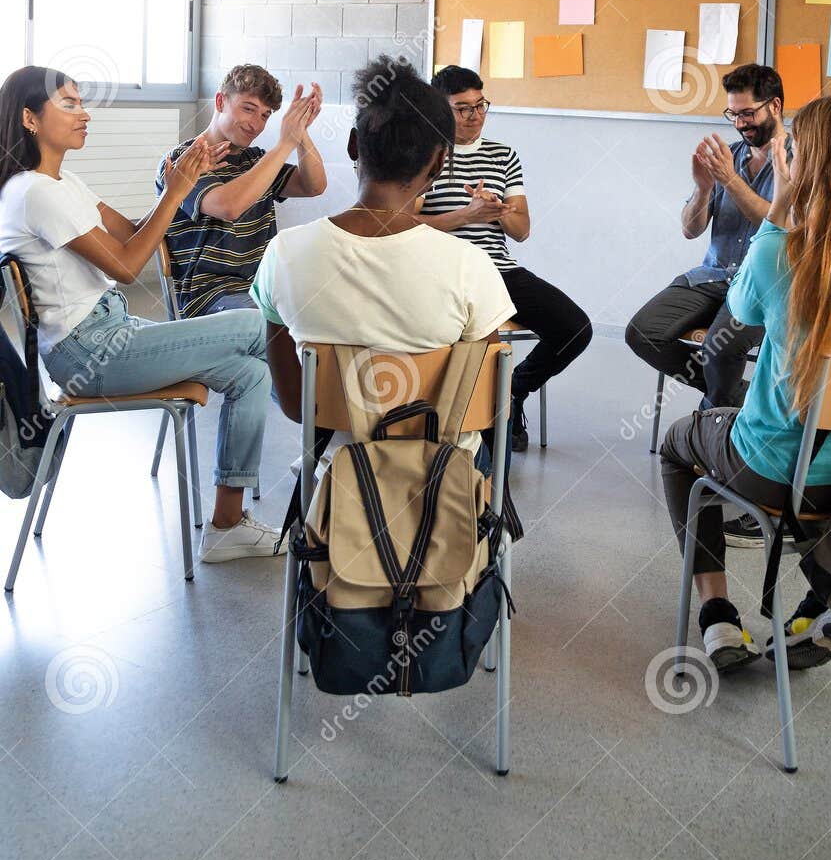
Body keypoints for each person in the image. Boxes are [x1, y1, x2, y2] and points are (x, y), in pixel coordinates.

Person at [659, 95, 831, 672]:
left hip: (779, 471)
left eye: (795, 151)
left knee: (680, 445)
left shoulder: (781, 254)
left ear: (806, 163)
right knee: (810, 446)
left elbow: (739, 317)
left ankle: (719, 618)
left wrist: (782, 201)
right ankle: (821, 605)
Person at [0, 67, 279, 562]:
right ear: (29, 118)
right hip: (89, 354)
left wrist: (179, 187)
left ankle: (228, 524)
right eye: (68, 104)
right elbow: (130, 267)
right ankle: (328, 438)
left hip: (112, 332)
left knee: (253, 373)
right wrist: (177, 191)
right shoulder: (34, 192)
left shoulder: (61, 182)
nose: (83, 113)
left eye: (81, 101)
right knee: (260, 324)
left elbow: (132, 232)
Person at [251, 57, 515, 453]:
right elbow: (490, 404)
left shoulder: (283, 253)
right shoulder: (470, 265)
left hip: (335, 479)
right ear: (440, 162)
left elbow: (293, 405)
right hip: (442, 481)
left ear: (354, 144)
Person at [413, 66, 592, 452]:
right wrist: (465, 215)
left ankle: (511, 393)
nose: (475, 115)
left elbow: (521, 229)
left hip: (498, 270)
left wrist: (497, 209)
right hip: (443, 275)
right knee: (478, 346)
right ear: (439, 110)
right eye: (462, 109)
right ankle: (480, 426)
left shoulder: (503, 155)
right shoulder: (423, 154)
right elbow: (405, 225)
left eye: (480, 105)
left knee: (575, 328)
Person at [626, 63, 787, 416]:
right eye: (733, 113)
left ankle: (716, 414)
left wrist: (729, 180)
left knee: (720, 348)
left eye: (748, 113)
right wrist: (702, 190)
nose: (740, 123)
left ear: (774, 106)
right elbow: (690, 229)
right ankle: (733, 395)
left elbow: (777, 224)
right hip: (713, 276)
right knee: (641, 332)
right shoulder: (727, 156)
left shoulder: (800, 161)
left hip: (762, 285)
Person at [156, 64, 327, 318]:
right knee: (275, 324)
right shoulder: (182, 159)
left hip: (262, 289)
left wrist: (300, 133)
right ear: (220, 101)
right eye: (249, 109)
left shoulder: (257, 161)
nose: (256, 124)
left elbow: (313, 185)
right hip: (208, 298)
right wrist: (284, 143)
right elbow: (229, 206)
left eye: (265, 116)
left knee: (328, 312)